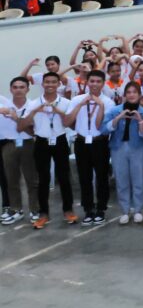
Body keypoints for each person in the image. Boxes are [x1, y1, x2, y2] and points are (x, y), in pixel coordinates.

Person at [20, 72, 76, 228]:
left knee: (64, 177)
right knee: (43, 179)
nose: (50, 85)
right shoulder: (33, 103)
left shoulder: (65, 102)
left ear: (59, 84)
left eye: (53, 82)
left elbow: (70, 123)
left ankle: (68, 210)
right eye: (47, 82)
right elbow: (24, 124)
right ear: (42, 84)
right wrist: (36, 111)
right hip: (42, 142)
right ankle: (43, 213)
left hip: (60, 140)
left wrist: (57, 110)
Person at [65, 69, 115, 225]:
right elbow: (67, 122)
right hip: (81, 143)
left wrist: (99, 107)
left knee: (101, 176)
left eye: (98, 81)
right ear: (87, 82)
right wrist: (80, 105)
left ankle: (101, 208)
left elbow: (103, 127)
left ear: (103, 84)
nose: (94, 84)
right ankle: (88, 209)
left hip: (99, 142)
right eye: (91, 81)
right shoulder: (77, 100)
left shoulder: (108, 102)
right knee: (84, 177)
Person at [102, 82, 143, 225]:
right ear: (124, 95)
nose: (131, 95)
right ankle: (124, 210)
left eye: (134, 92)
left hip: (137, 148)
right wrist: (118, 118)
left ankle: (138, 210)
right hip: (118, 148)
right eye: (128, 92)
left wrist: (140, 121)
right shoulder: (114, 110)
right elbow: (104, 129)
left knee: (138, 179)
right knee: (121, 179)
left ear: (139, 95)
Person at [0, 76, 39, 224]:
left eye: (22, 87)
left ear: (27, 89)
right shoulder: (5, 105)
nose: (18, 90)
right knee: (11, 179)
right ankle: (16, 209)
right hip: (9, 144)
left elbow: (32, 131)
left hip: (28, 144)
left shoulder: (33, 106)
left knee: (31, 179)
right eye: (15, 87)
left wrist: (16, 118)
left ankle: (35, 209)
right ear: (10, 89)